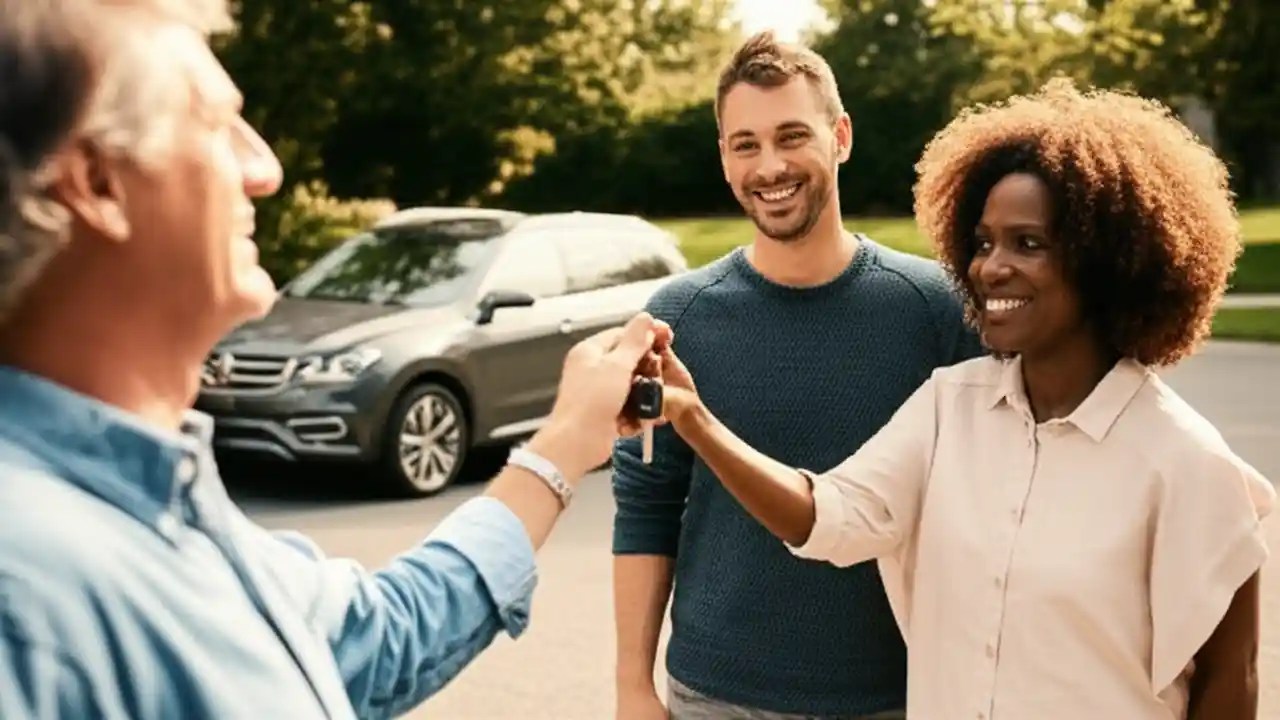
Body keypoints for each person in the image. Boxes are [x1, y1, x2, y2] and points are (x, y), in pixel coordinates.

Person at [0, 2, 670, 718]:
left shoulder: (168, 513)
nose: (264, 167)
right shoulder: (25, 598)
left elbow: (380, 633)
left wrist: (565, 442)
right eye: (214, 123)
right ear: (97, 183)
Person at [646, 78, 1276, 719]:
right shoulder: (950, 408)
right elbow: (828, 519)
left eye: (1028, 244)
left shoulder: (1185, 461)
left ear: (1107, 260)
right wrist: (694, 420)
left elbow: (1232, 681)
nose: (989, 268)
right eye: (982, 243)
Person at [611, 31, 980, 720]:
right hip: (717, 697)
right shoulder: (675, 317)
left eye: (792, 136)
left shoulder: (935, 310)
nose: (769, 165)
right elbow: (645, 509)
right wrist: (633, 684)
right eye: (745, 144)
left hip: (896, 694)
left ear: (840, 136)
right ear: (724, 158)